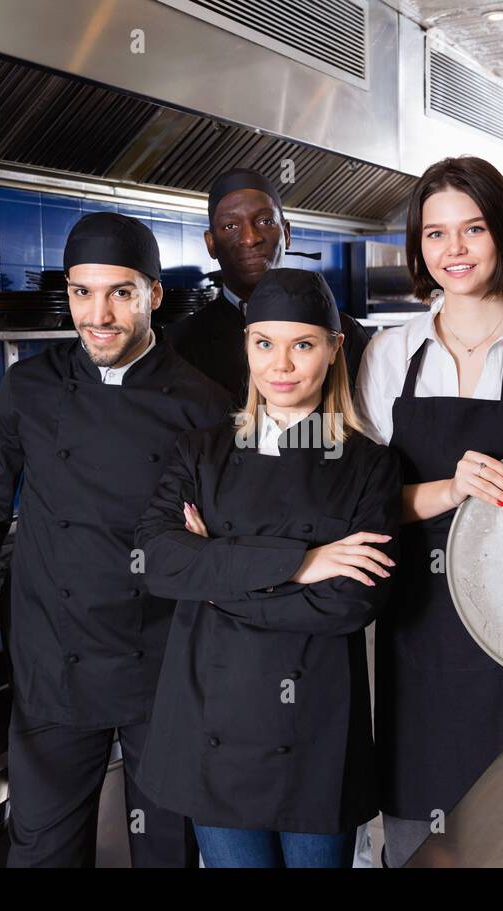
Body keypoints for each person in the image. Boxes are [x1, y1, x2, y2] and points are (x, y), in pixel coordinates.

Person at [0, 212, 231, 867]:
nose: (98, 314)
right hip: (54, 654)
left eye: (120, 292)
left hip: (163, 663)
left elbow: (225, 534)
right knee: (42, 851)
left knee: (167, 851)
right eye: (81, 292)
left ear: (152, 294)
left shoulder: (204, 405)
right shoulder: (28, 389)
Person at [355, 156, 503, 868]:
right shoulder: (389, 356)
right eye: (435, 234)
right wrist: (447, 491)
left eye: (472, 229)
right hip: (411, 624)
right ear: (418, 247)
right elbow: (362, 506)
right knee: (413, 829)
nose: (453, 251)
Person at [134, 268, 402, 868]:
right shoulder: (200, 452)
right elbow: (157, 561)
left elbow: (352, 603)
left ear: (334, 350)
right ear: (246, 346)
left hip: (314, 737)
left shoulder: (369, 466)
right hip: (210, 726)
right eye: (264, 343)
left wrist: (212, 578)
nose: (281, 365)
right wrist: (302, 562)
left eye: (302, 344)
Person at [163, 167, 370, 398]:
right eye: (230, 226)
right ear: (211, 243)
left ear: (287, 233)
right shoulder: (179, 344)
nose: (250, 238)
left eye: (264, 221)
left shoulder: (343, 334)